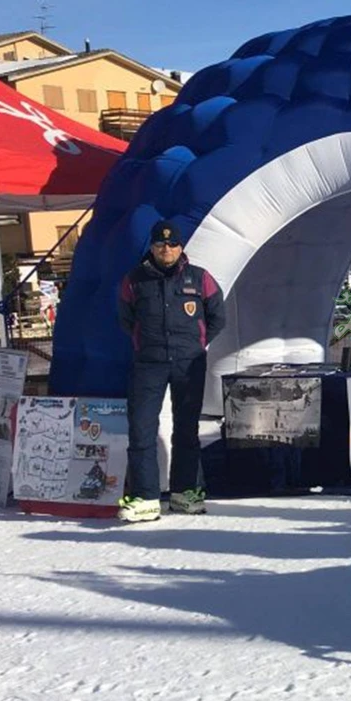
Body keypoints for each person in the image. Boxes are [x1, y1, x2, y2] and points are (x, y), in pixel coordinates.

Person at [117, 220, 225, 522]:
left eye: (173, 244)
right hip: (148, 364)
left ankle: (185, 492)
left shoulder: (199, 278)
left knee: (187, 429)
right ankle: (145, 497)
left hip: (188, 364)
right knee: (141, 430)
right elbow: (125, 319)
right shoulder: (134, 280)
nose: (167, 249)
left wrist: (198, 343)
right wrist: (144, 343)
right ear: (152, 247)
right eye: (161, 244)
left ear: (181, 247)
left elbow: (217, 316)